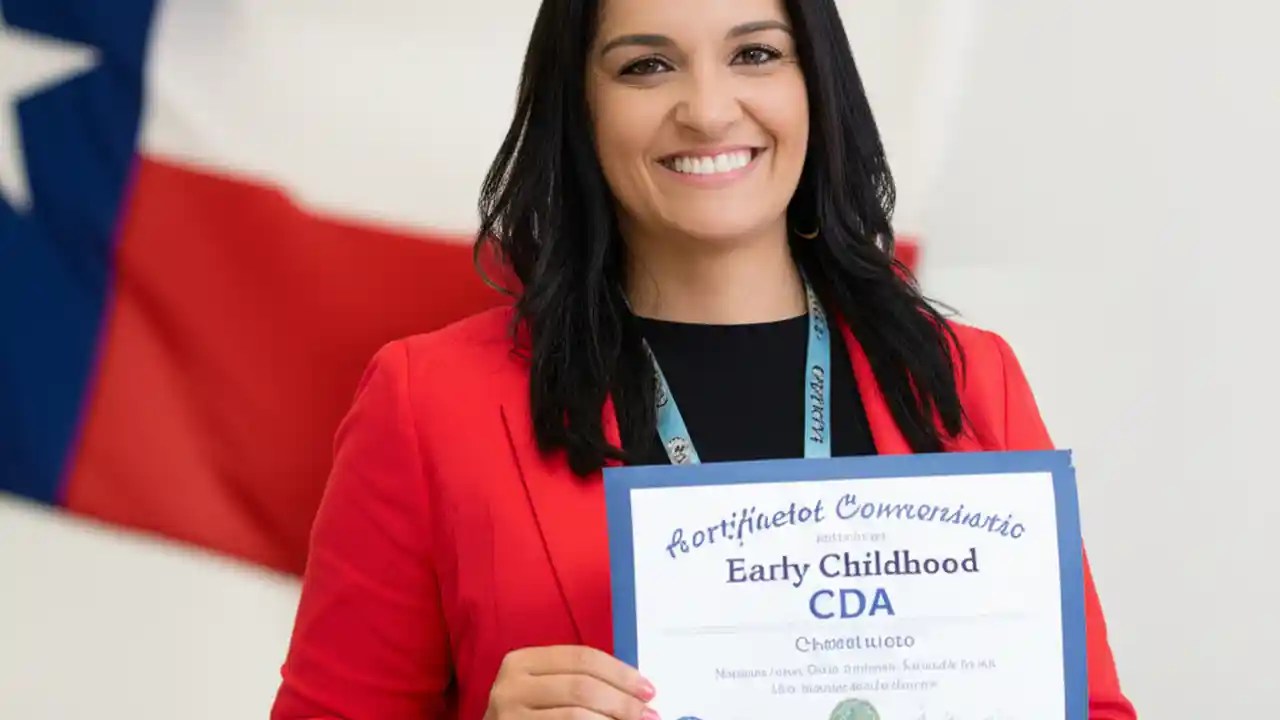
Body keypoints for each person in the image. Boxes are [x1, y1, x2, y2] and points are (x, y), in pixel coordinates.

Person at [271, 0, 1137, 718]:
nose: (710, 109)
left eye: (756, 54)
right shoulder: (428, 402)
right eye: (646, 66)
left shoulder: (965, 376)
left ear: (817, 87)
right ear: (580, 106)